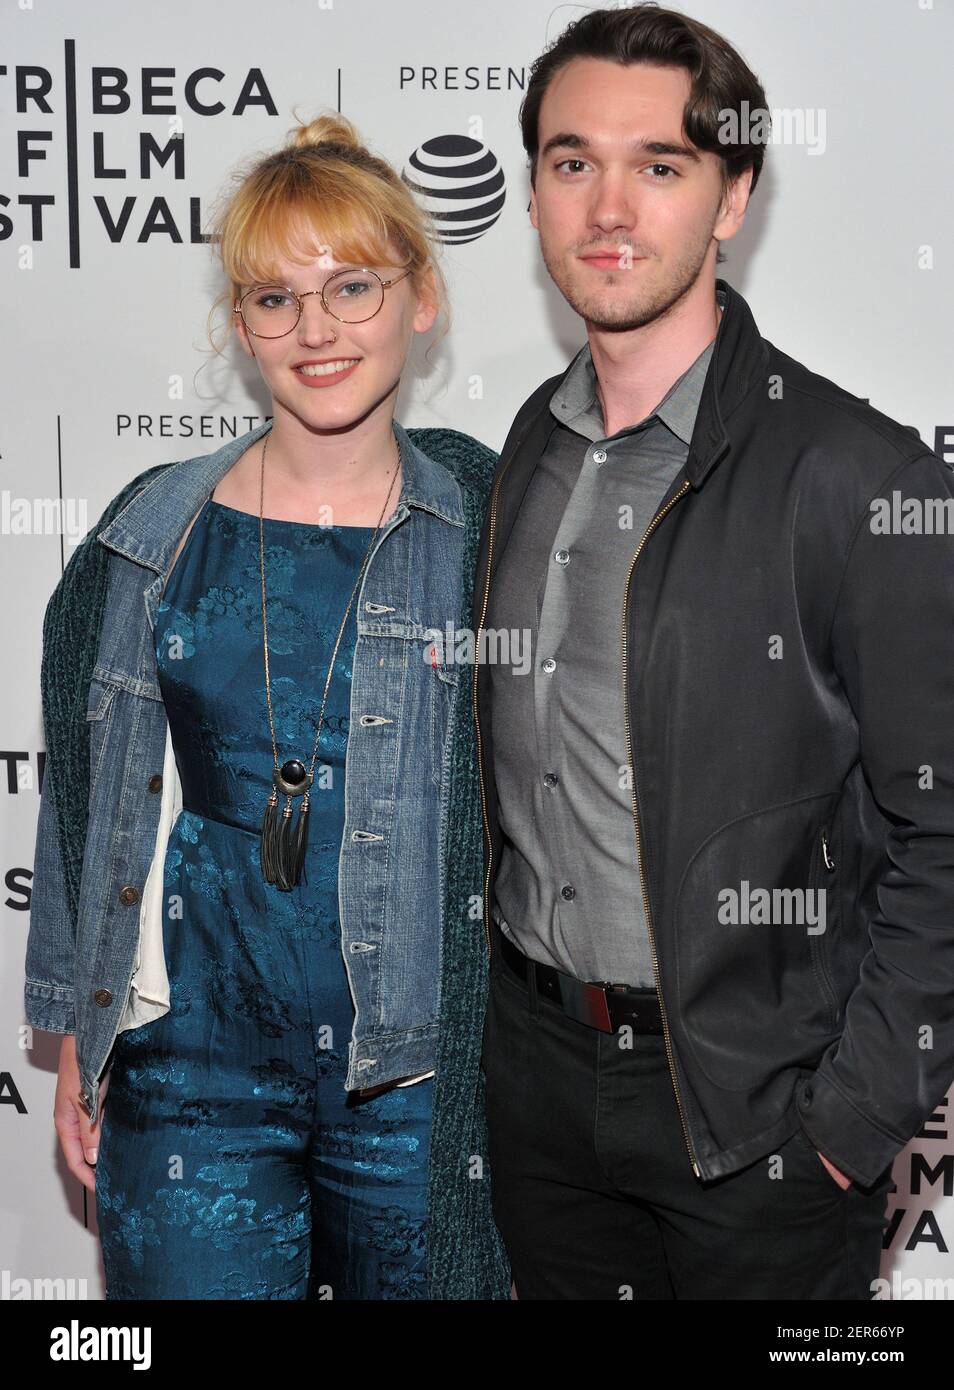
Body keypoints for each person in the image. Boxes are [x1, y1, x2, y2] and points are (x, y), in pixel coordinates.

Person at [475, 4, 954, 1299]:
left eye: (661, 163)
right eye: (572, 162)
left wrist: (847, 1127)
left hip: (756, 1125)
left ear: (732, 193)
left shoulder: (858, 478)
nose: (608, 205)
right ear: (530, 192)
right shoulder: (530, 440)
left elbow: (942, 836)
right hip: (534, 1087)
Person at [24, 111, 510, 1301]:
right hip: (191, 1079)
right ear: (241, 325)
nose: (318, 329)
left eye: (353, 285)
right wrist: (81, 1025)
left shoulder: (492, 524)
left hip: (425, 1081)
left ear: (421, 298)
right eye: (275, 298)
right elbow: (88, 797)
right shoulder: (151, 530)